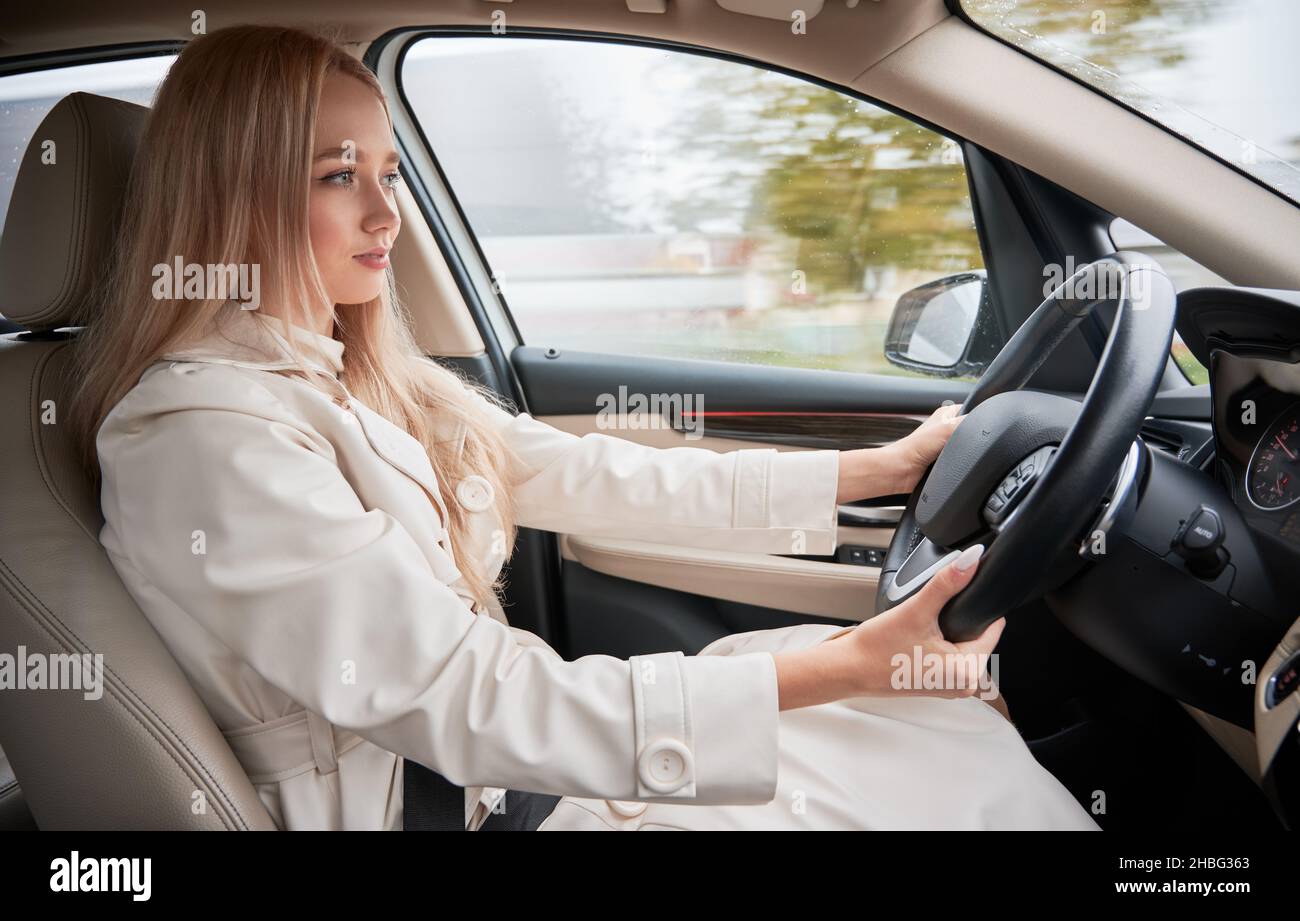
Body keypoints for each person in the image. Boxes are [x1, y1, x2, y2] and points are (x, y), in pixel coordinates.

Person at [66, 24, 1098, 831]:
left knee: (931, 719)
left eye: (389, 174)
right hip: (449, 811)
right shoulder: (200, 439)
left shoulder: (349, 373)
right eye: (341, 177)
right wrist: (852, 666)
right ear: (229, 197)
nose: (387, 216)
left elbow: (590, 474)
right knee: (922, 749)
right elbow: (466, 697)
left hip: (500, 786)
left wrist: (876, 469)